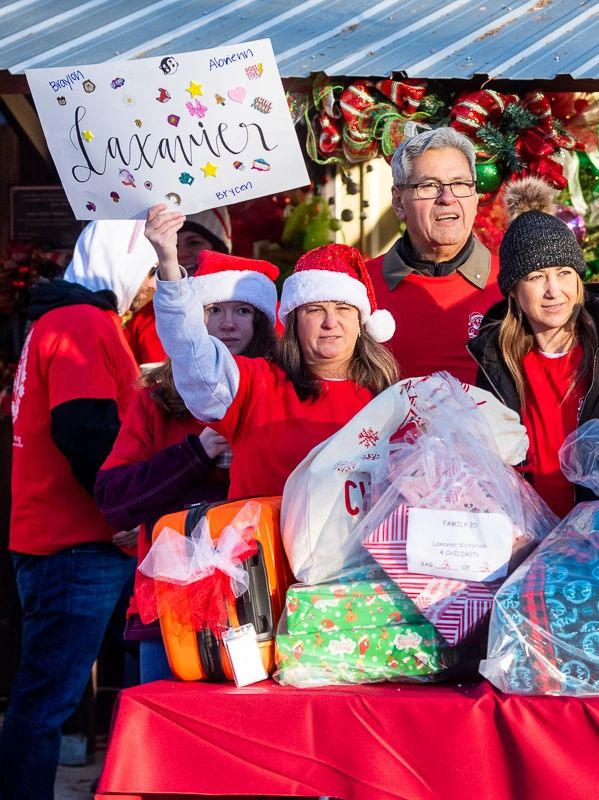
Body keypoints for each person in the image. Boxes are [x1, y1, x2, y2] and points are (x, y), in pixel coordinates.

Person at [0, 221, 155, 800]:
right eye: (143, 269)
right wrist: (124, 511)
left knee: (44, 696)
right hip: (76, 543)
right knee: (47, 701)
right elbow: (83, 427)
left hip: (62, 538)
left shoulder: (63, 319)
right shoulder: (84, 322)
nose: (146, 287)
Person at [94, 251, 280, 682]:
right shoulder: (157, 399)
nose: (228, 324)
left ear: (265, 322)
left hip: (265, 600)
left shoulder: (284, 389)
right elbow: (114, 499)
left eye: (243, 311)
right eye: (214, 310)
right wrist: (195, 455)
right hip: (170, 607)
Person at [145, 204, 399, 497]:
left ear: (360, 321)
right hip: (265, 542)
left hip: (359, 543)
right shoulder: (255, 383)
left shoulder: (387, 396)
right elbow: (190, 352)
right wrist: (167, 260)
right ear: (293, 323)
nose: (331, 322)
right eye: (314, 310)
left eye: (343, 308)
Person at [469, 178, 599, 516]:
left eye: (564, 273)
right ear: (513, 291)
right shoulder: (496, 365)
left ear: (579, 279)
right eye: (536, 277)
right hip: (529, 548)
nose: (554, 290)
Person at [365, 127, 503, 383]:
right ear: (398, 203)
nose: (447, 198)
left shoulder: (512, 284)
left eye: (460, 184)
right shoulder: (361, 287)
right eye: (429, 186)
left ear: (475, 197)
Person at [124, 207, 232, 367]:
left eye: (194, 243)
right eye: (173, 244)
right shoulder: (146, 318)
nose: (181, 254)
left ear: (219, 248)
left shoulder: (254, 307)